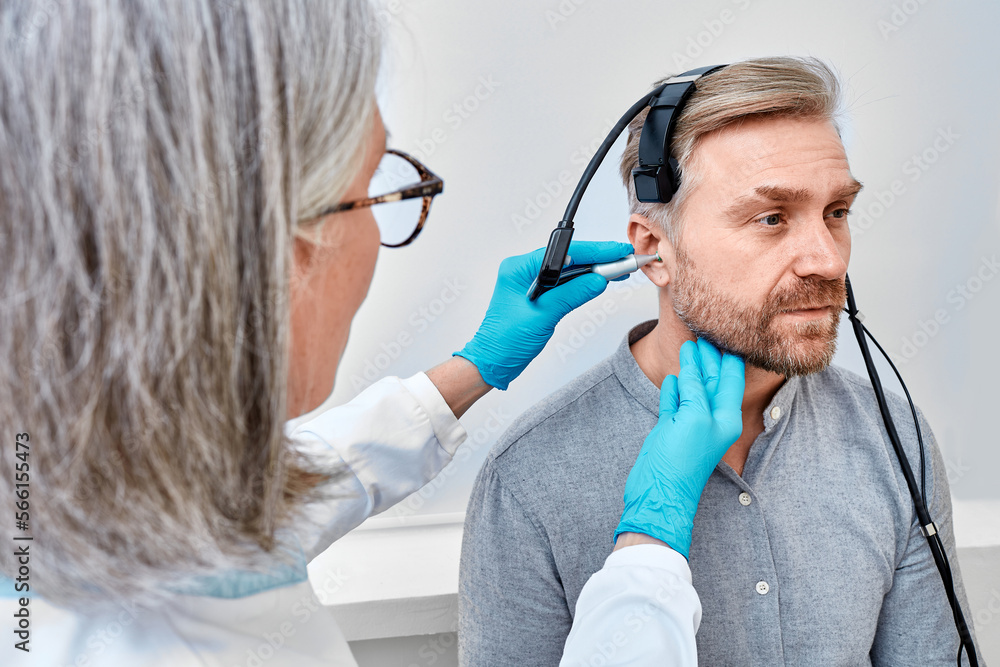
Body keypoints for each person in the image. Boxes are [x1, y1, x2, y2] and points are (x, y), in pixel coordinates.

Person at [0, 2, 741, 665]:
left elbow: (270, 489)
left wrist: (473, 367)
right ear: (274, 247)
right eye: (378, 193)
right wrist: (650, 545)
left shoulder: (60, 488)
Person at [459, 56, 980, 666]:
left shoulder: (893, 437)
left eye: (836, 213)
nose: (828, 261)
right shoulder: (529, 478)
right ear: (654, 249)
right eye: (771, 218)